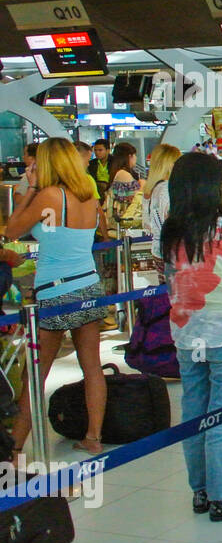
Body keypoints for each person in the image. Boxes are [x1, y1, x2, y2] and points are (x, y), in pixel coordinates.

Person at [162, 153, 222, 521]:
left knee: (193, 413)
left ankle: (201, 491)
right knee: (221, 417)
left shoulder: (170, 232)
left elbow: (169, 279)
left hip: (187, 334)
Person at [2, 139, 110, 456]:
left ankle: (14, 447)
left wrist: (33, 189)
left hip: (55, 290)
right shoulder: (88, 194)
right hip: (88, 285)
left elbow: (11, 229)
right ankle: (94, 436)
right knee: (91, 366)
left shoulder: (49, 195)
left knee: (35, 373)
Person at [143, 143, 181, 260]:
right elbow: (173, 222)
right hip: (171, 253)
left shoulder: (151, 188)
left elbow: (147, 224)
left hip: (158, 249)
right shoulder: (166, 188)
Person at [106, 142, 143, 229]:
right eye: (135, 155)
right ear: (130, 156)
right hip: (124, 221)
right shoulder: (124, 174)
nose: (136, 158)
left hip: (118, 221)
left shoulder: (117, 172)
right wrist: (142, 185)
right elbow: (135, 198)